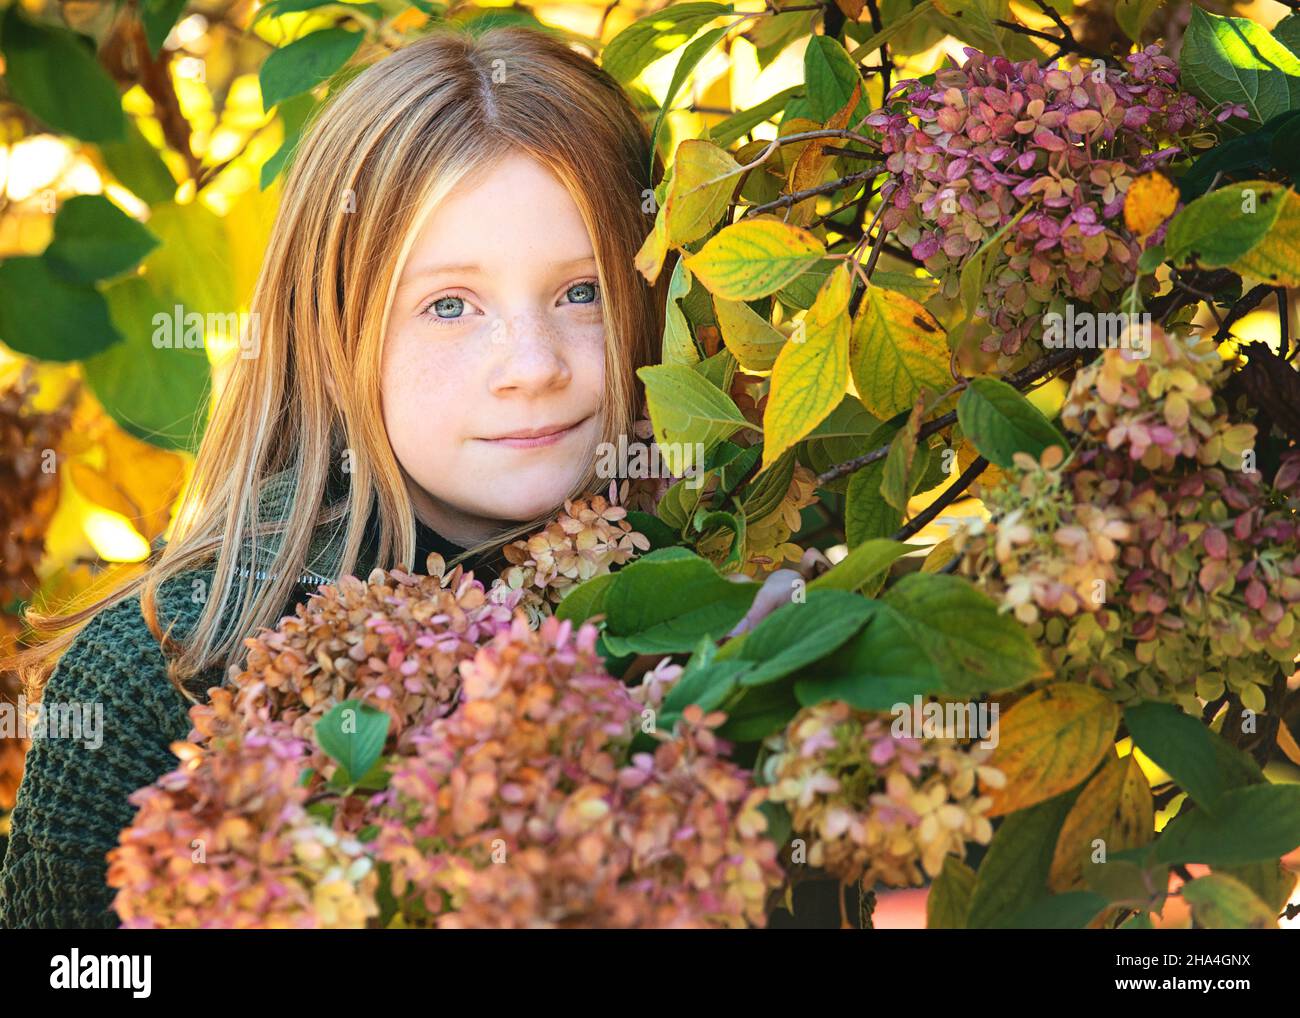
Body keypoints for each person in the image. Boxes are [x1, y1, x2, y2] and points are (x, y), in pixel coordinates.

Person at [0, 24, 667, 929]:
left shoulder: (730, 601)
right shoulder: (159, 671)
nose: (533, 364)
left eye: (581, 291)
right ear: (333, 328)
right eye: (450, 305)